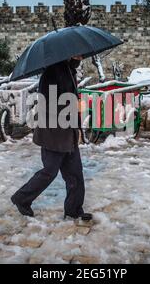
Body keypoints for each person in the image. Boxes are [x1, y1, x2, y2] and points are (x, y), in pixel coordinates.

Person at [11, 56, 93, 221]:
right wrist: (71, 105)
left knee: (75, 174)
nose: (81, 56)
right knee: (49, 172)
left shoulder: (69, 69)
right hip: (53, 133)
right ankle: (21, 198)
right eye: (77, 53)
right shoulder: (52, 71)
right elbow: (46, 102)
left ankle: (73, 209)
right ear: (69, 52)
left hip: (67, 132)